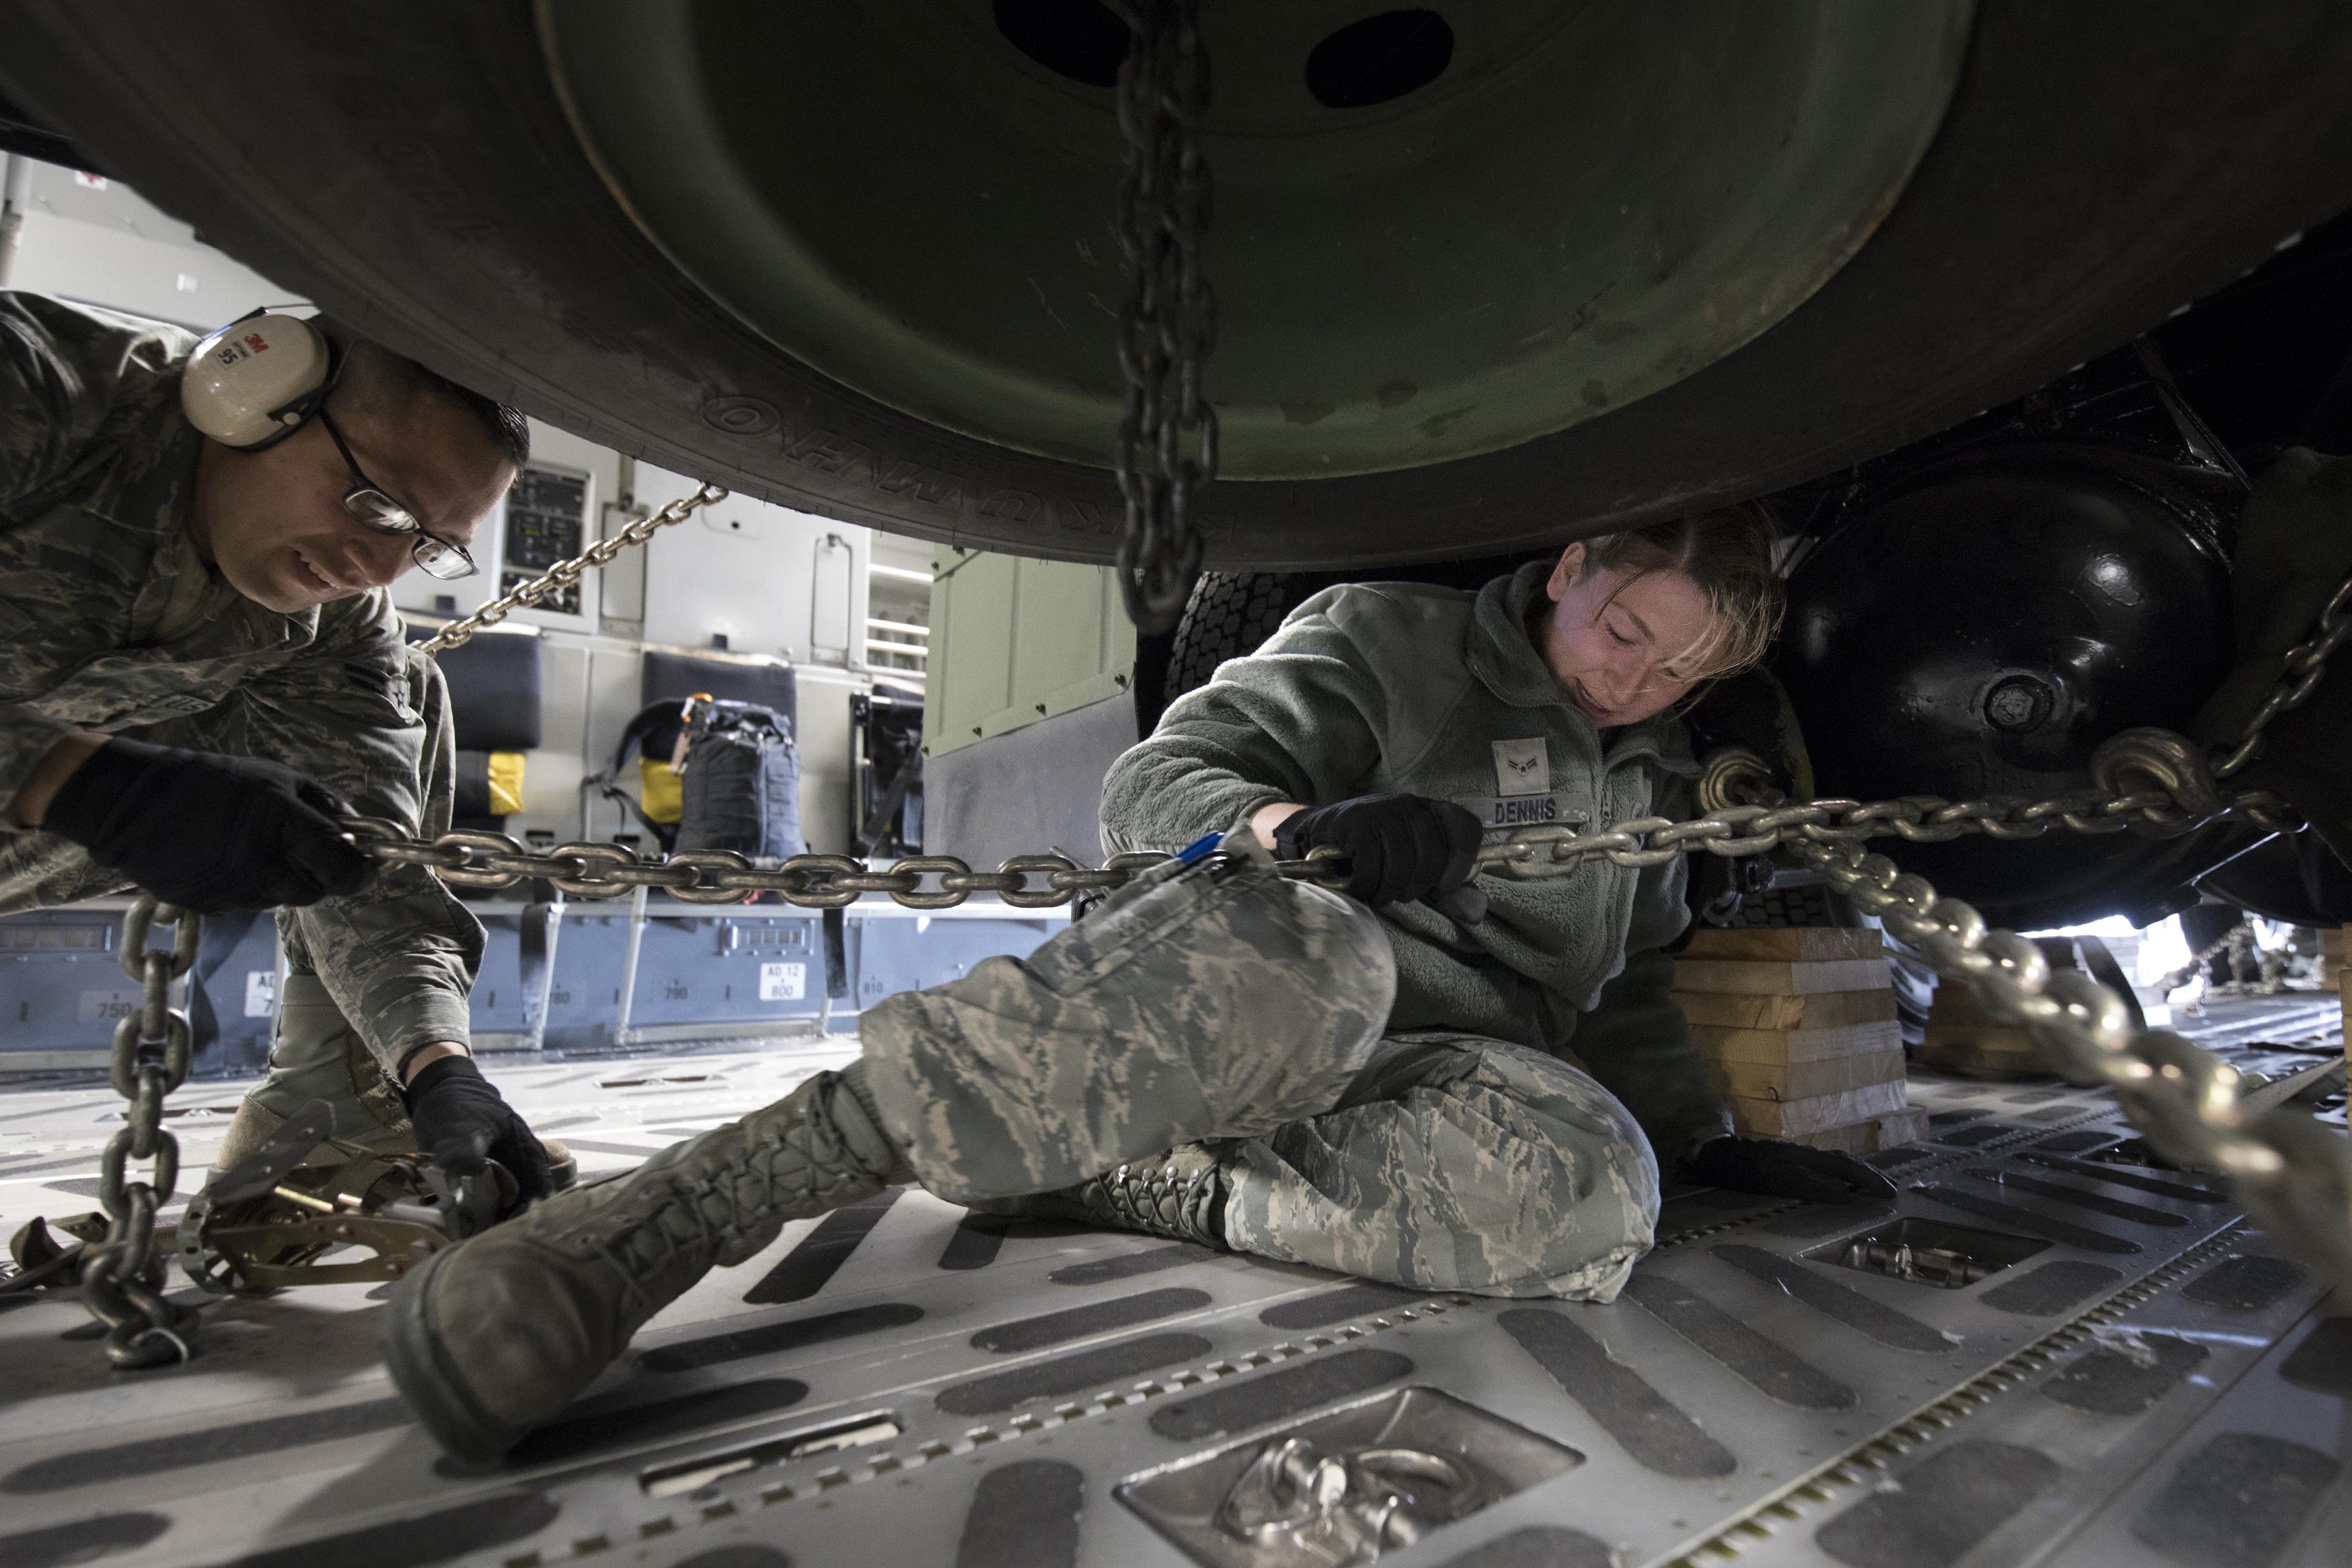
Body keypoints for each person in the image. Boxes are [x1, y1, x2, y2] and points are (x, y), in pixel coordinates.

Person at [382, 507, 1893, 1463]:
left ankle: (1139, 1172)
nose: (1635, 684)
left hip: (1427, 1077)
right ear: (1572, 568)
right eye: (1626, 633)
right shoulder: (1392, 640)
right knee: (1321, 955)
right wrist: (1301, 834)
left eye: (1675, 677)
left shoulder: (1652, 775)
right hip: (1264, 984)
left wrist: (1697, 1139)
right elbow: (1153, 782)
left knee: (1590, 1201)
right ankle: (644, 1234)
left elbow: (1623, 990)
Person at [0, 291, 566, 1203]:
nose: (378, 568)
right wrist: (78, 781)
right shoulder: (38, 395)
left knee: (398, 699)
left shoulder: (334, 625)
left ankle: (338, 1102)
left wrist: (434, 1064)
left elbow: (368, 861)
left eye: (424, 546)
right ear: (254, 391)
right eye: (376, 505)